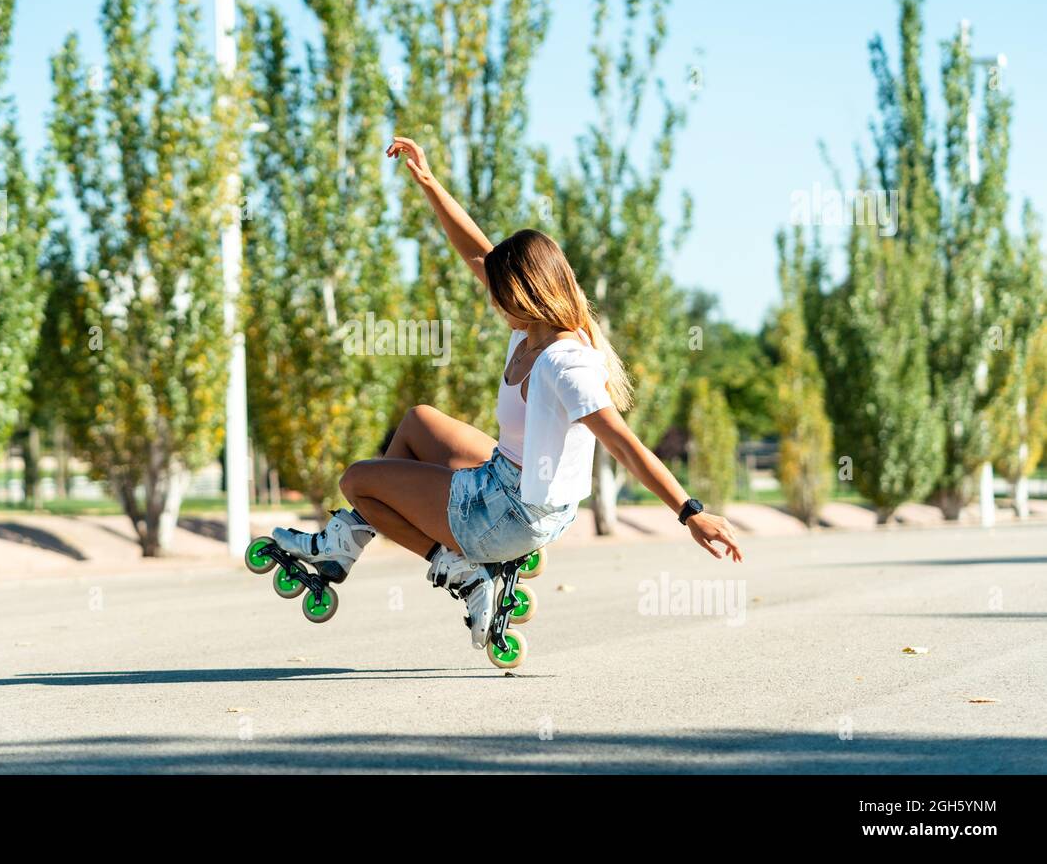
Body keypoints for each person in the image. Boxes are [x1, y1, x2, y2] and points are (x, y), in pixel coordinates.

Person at [270, 135, 742, 648]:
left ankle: (459, 569)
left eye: (498, 294)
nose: (492, 301)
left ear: (522, 293)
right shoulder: (530, 330)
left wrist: (691, 513)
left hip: (510, 515)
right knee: (417, 421)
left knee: (358, 480)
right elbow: (479, 252)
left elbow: (624, 445)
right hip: (512, 482)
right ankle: (347, 541)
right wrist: (429, 182)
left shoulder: (563, 361)